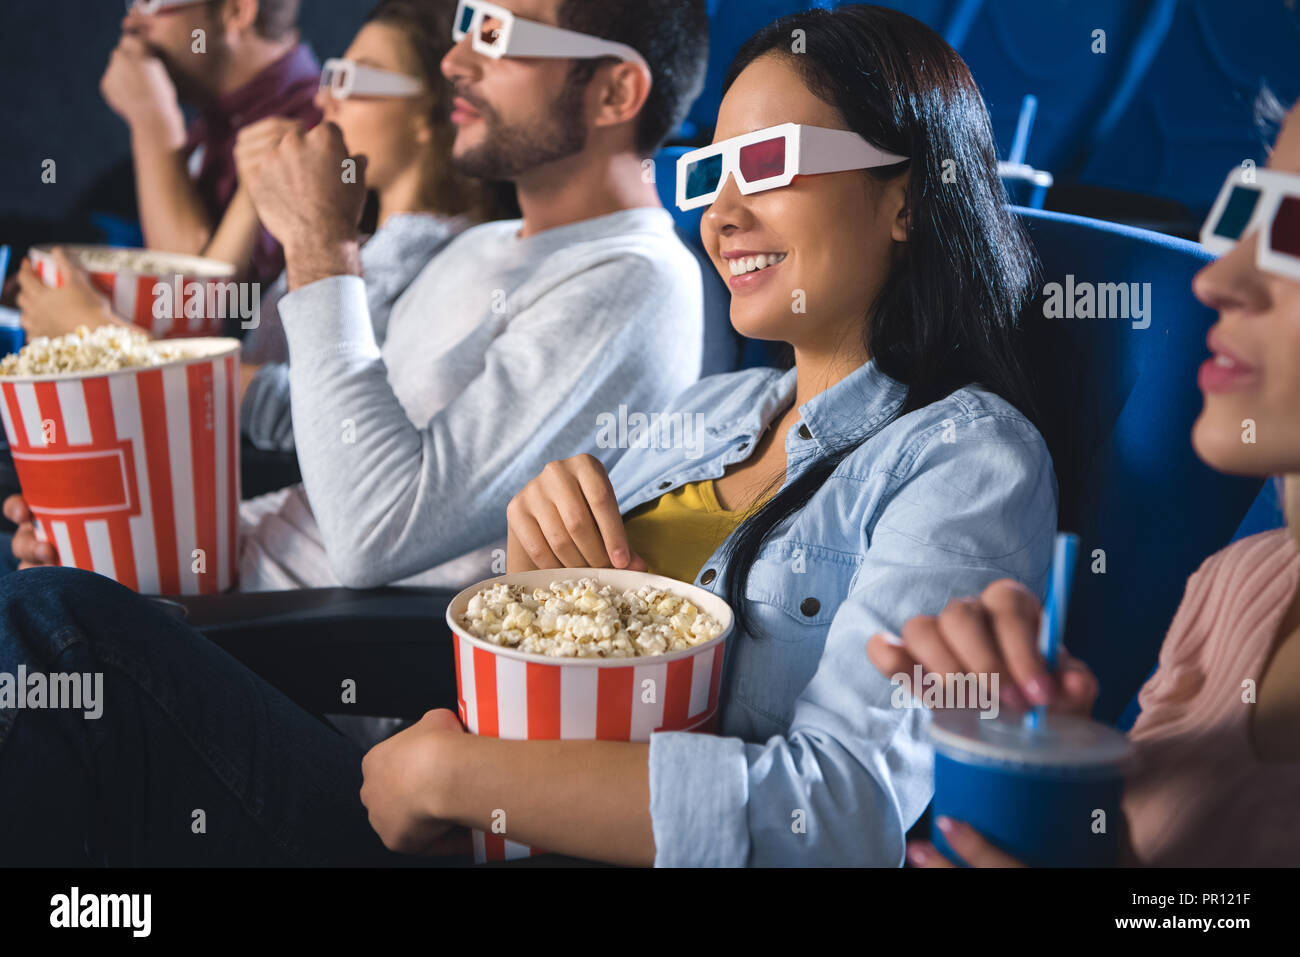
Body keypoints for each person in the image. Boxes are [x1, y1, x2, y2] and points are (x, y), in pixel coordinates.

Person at [0, 4, 1054, 867]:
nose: (722, 214)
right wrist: (528, 545)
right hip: (460, 801)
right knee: (53, 627)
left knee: (55, 632)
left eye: (767, 163)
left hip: (463, 799)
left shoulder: (963, 459)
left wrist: (460, 777)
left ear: (910, 197)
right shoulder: (709, 419)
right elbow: (516, 624)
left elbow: (839, 812)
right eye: (715, 173)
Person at [7, 0, 711, 594]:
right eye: (467, 22)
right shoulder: (480, 245)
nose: (454, 62)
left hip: (309, 656)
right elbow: (323, 424)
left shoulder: (635, 280)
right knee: (39, 572)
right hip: (227, 590)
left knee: (28, 621)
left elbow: (374, 537)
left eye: (496, 35)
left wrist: (320, 245)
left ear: (616, 92)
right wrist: (122, 554)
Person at [878, 95, 1300, 869]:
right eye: (1250, 220)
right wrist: (1042, 772)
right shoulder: (1238, 585)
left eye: (1295, 234)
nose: (1218, 282)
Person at [12, 0, 509, 454]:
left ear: (437, 113)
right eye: (331, 75)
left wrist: (102, 336)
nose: (323, 99)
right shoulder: (369, 240)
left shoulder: (432, 258)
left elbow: (309, 413)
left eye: (354, 80)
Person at [106, 0, 322, 286]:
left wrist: (152, 124)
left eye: (151, 4)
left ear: (236, 11)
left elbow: (186, 298)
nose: (130, 24)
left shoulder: (309, 136)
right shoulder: (217, 120)